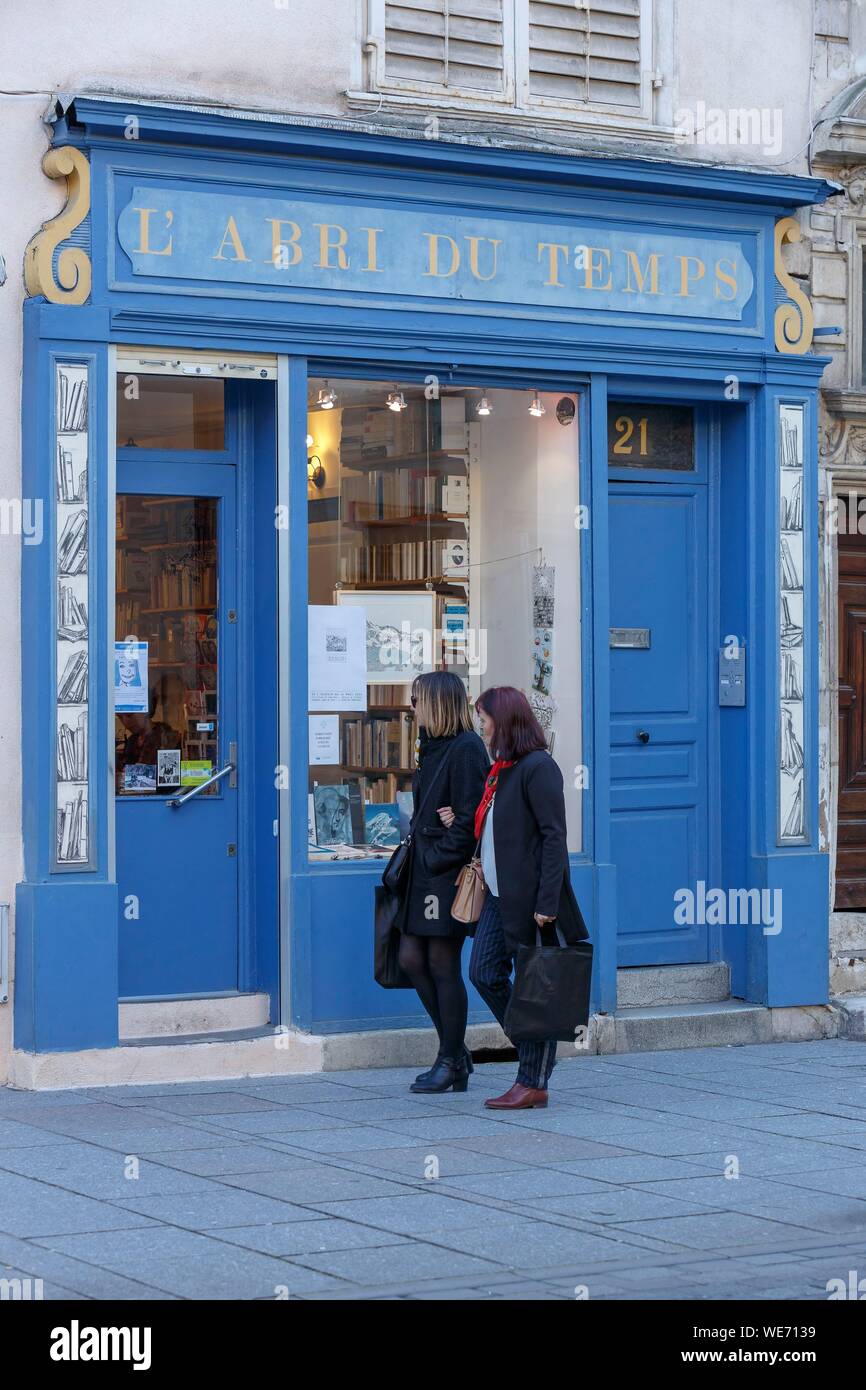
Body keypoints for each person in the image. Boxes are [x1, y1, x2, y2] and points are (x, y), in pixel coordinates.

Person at [442, 685, 588, 1110]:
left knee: (534, 988)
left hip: (529, 899)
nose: (480, 728)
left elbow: (552, 838)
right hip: (496, 893)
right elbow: (496, 828)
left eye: (484, 720)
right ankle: (533, 1054)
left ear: (504, 721)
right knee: (484, 972)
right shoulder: (502, 769)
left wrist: (546, 902)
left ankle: (533, 1080)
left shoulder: (538, 767)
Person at [396, 670, 490, 1094]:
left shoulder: (467, 748)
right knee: (411, 959)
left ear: (435, 703)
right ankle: (456, 1052)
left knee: (441, 963)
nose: (411, 708)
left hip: (445, 873)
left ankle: (452, 1059)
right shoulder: (430, 745)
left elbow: (471, 818)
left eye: (416, 700)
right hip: (424, 871)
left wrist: (436, 856)